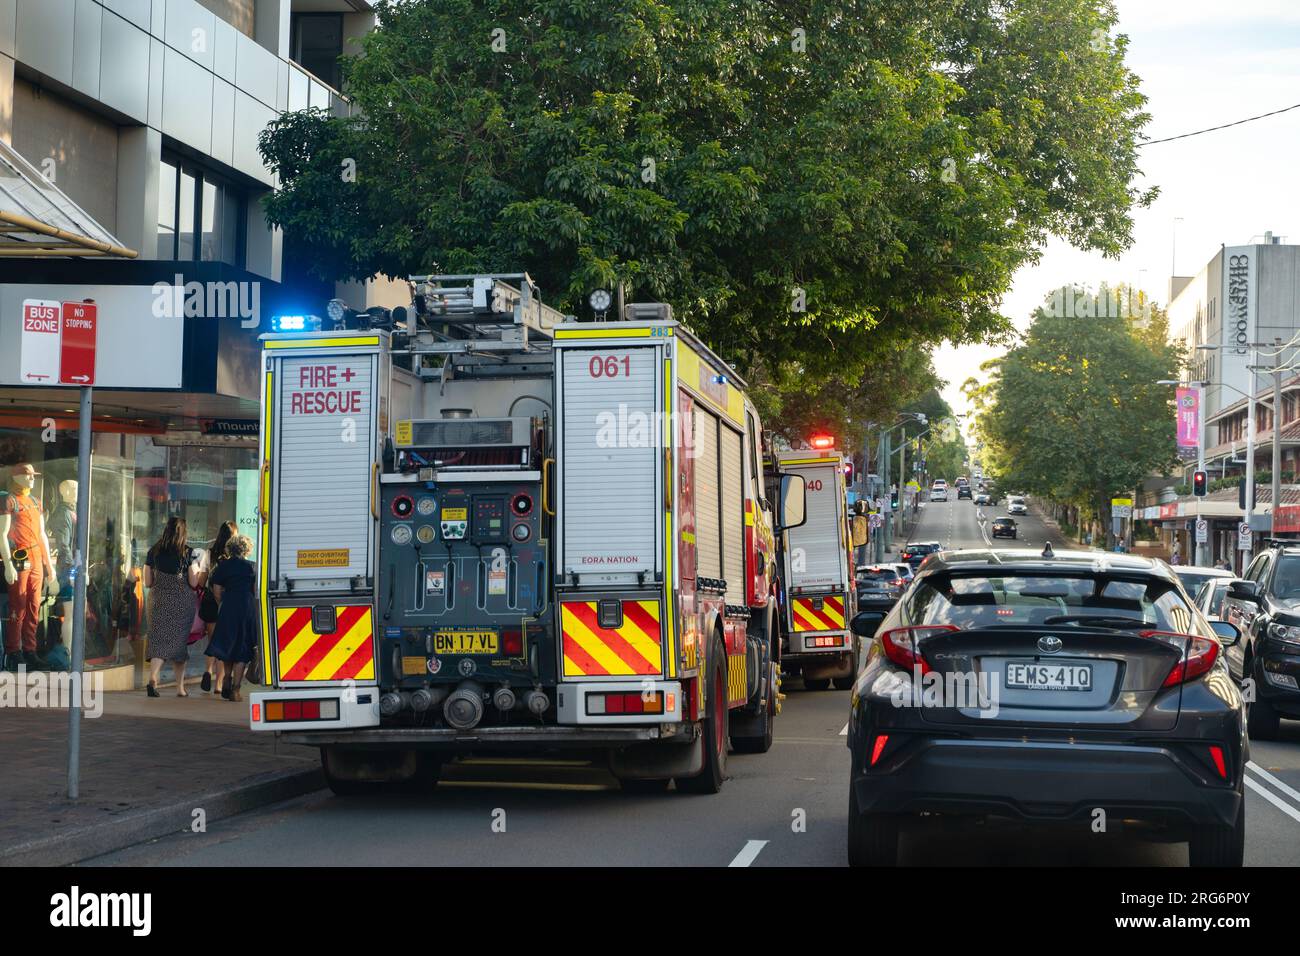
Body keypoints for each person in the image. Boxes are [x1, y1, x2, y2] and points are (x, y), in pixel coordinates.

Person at [1, 463, 57, 671]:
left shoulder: (35, 501)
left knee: (34, 604)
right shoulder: (10, 501)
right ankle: (13, 651)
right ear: (16, 477)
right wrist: (8, 564)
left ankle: (29, 650)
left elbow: (42, 534)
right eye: (28, 476)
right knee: (19, 605)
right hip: (19, 555)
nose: (32, 479)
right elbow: (2, 535)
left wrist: (49, 567)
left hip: (35, 555)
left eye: (34, 476)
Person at [143, 516, 203, 697]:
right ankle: (180, 688)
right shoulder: (188, 553)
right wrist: (198, 570)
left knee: (158, 642)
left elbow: (147, 582)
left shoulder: (154, 551)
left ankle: (153, 676)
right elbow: (193, 583)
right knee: (179, 644)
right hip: (181, 603)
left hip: (158, 601)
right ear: (183, 533)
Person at [207, 534, 258, 702]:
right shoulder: (252, 567)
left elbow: (216, 590)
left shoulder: (223, 566)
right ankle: (236, 690)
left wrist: (222, 603)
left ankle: (226, 678)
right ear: (247, 549)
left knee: (228, 645)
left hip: (228, 607)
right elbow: (256, 590)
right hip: (246, 608)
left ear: (230, 548)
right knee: (242, 649)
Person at [198, 521, 237, 694]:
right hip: (227, 601)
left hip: (209, 601)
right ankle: (219, 684)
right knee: (224, 644)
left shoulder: (209, 553)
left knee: (212, 641)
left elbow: (201, 580)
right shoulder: (234, 557)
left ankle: (207, 671)